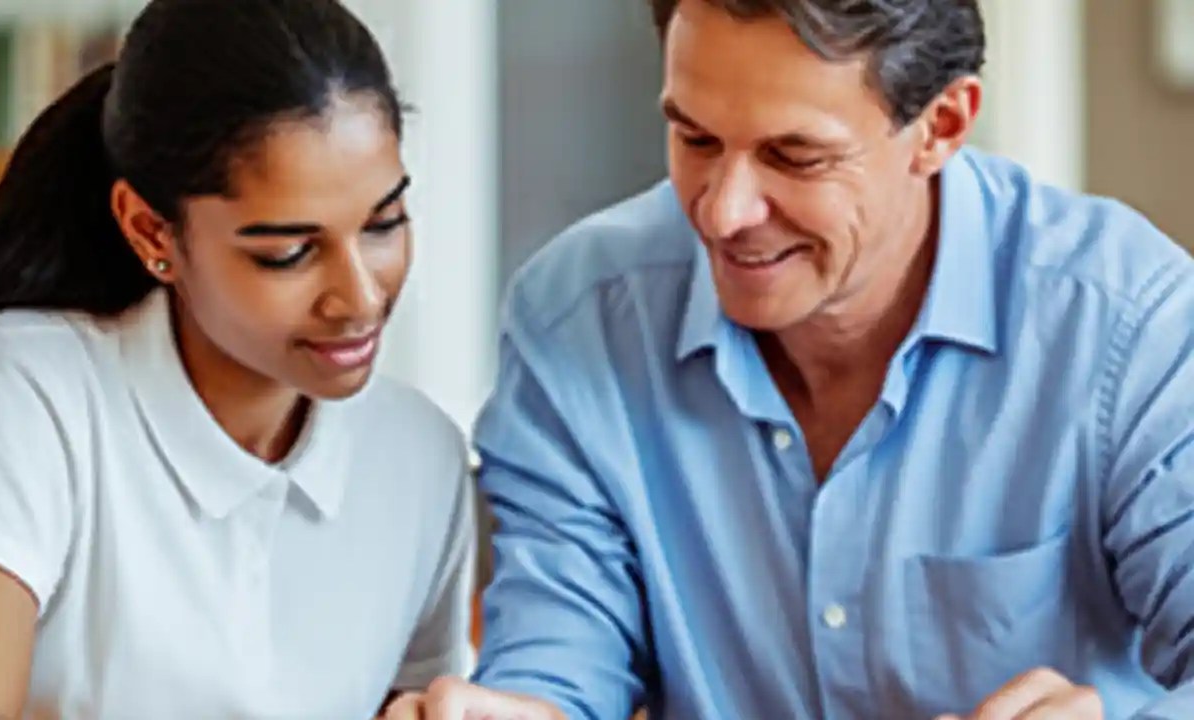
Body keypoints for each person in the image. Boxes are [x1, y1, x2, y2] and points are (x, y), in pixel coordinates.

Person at [382, 0, 1194, 718]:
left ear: (942, 126)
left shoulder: (1127, 326)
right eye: (695, 138)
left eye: (795, 156)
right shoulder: (578, 317)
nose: (724, 212)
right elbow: (560, 658)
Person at [0, 0, 476, 717]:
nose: (361, 297)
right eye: (288, 253)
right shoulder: (23, 396)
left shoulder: (420, 457)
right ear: (151, 231)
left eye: (384, 223)